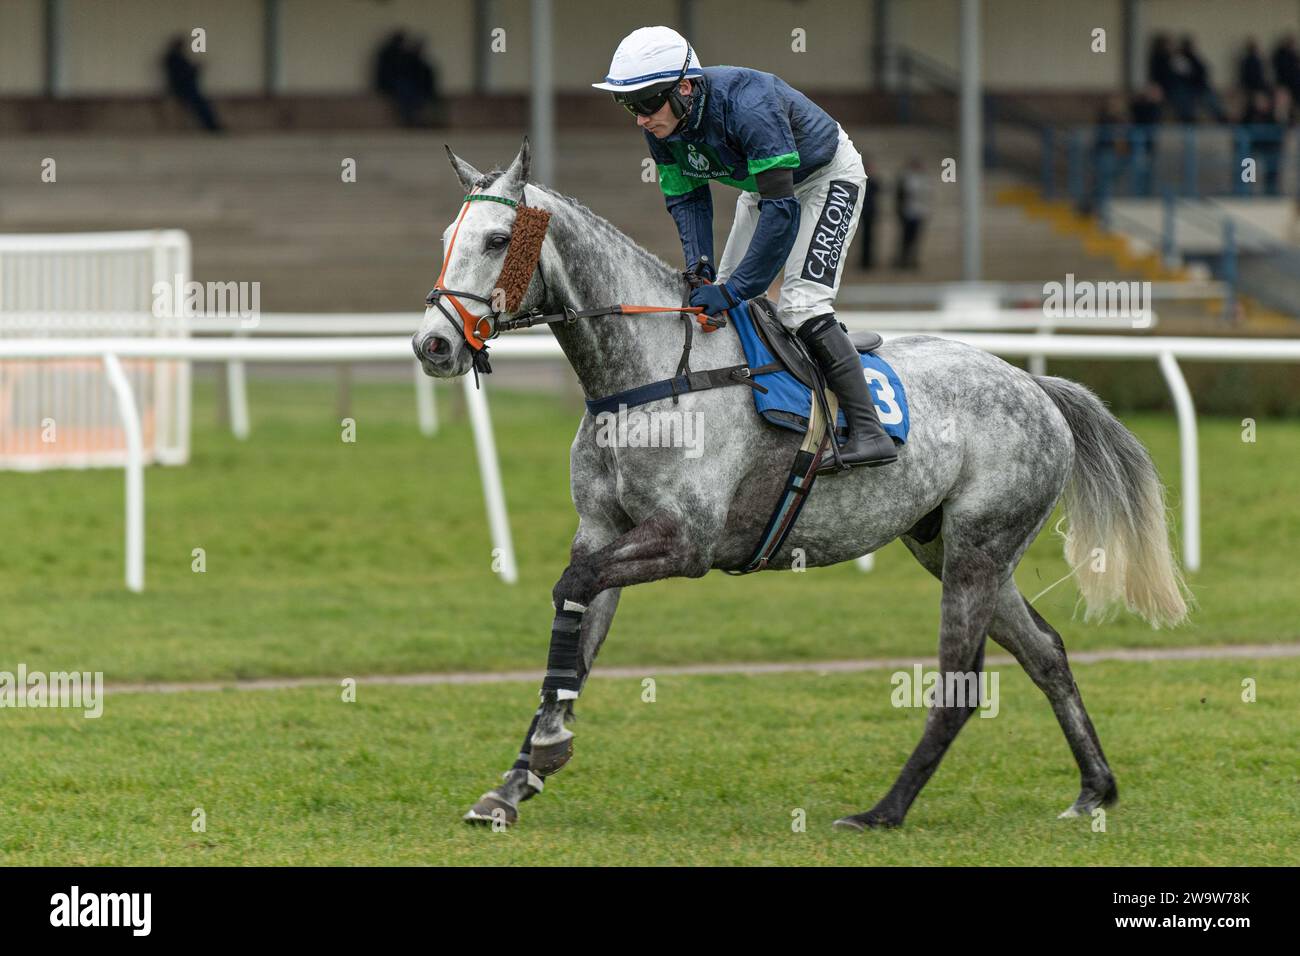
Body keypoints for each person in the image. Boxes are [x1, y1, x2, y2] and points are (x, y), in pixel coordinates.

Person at [592, 25, 896, 468]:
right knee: (724, 304)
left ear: (685, 87)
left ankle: (870, 432)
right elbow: (687, 198)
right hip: (764, 190)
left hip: (825, 179)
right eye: (627, 105)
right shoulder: (661, 123)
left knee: (801, 306)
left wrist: (733, 289)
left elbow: (782, 210)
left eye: (645, 102)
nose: (639, 117)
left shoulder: (747, 102)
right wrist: (700, 269)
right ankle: (793, 381)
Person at [161, 36, 222, 132]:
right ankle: (212, 126)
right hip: (183, 88)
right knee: (201, 105)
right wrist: (195, 68)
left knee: (201, 105)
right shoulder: (174, 58)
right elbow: (182, 74)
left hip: (185, 87)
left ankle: (212, 125)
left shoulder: (174, 57)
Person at [893, 157, 928, 270]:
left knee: (915, 238)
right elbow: (901, 196)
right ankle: (903, 260)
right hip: (908, 212)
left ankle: (912, 259)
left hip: (918, 212)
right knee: (905, 238)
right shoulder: (905, 178)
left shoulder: (923, 179)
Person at [857, 156, 881, 271]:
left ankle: (868, 260)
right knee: (864, 238)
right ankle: (864, 261)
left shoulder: (872, 181)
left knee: (870, 238)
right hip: (864, 211)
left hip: (870, 212)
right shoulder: (863, 181)